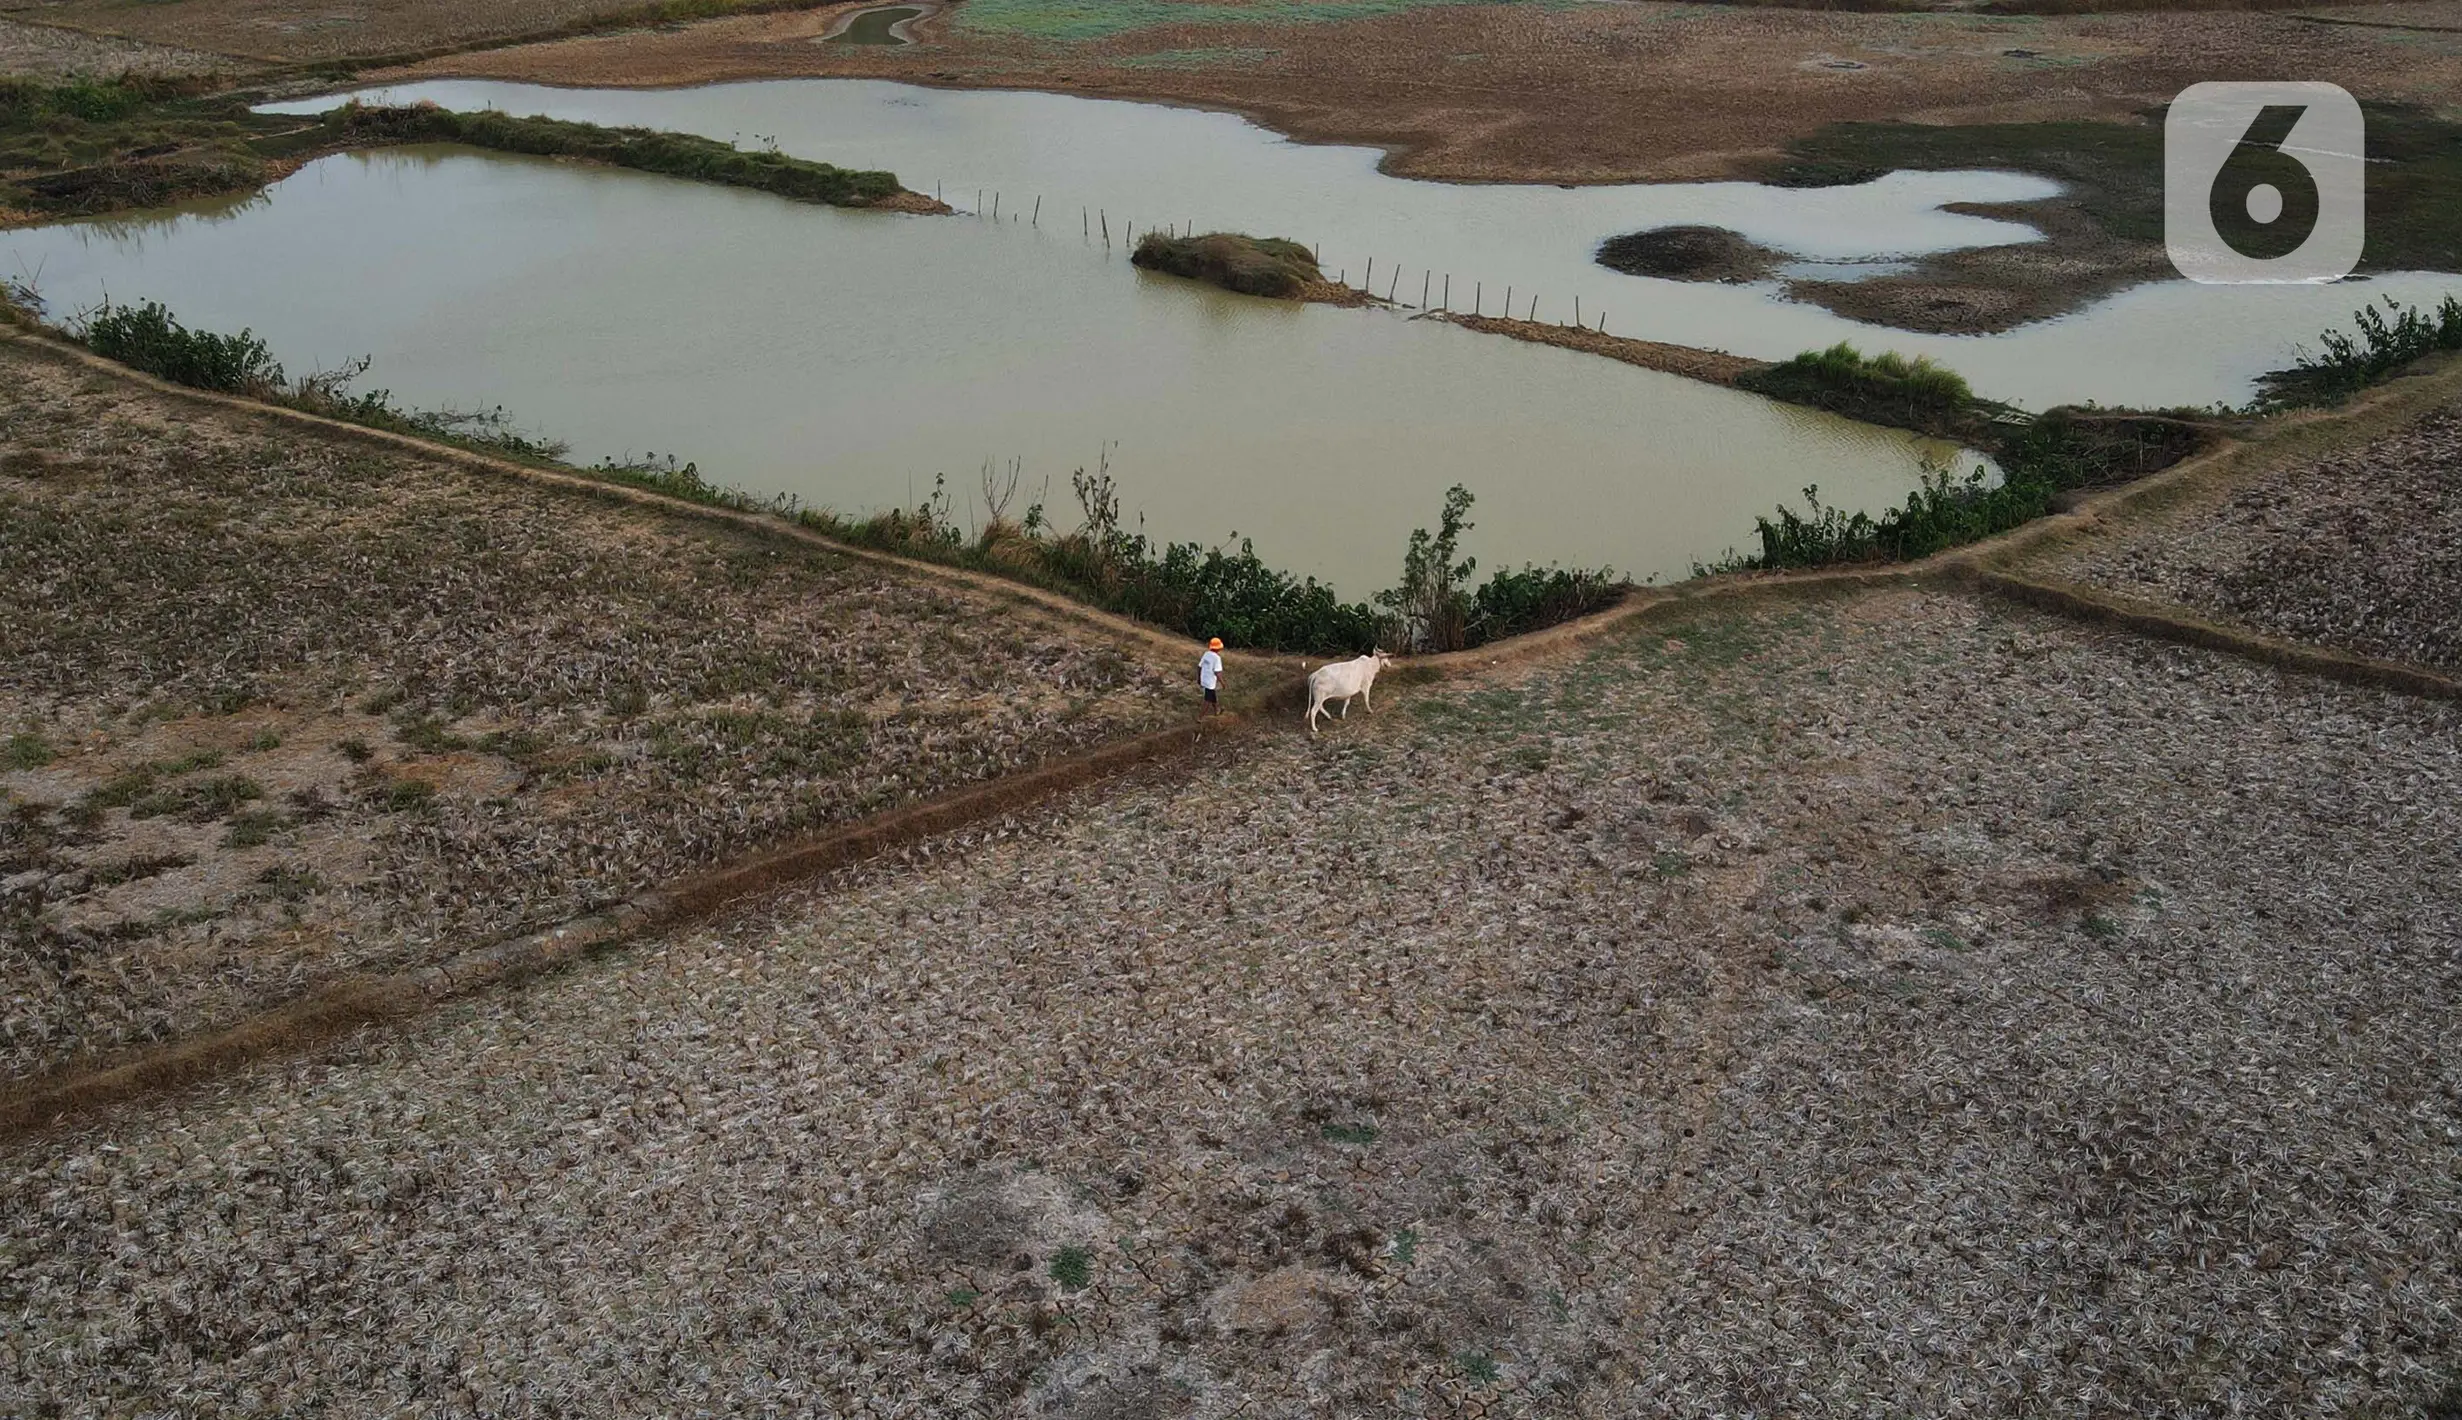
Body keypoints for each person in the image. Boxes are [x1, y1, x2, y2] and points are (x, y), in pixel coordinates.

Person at [1198, 637, 1224, 716]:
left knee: (1213, 696)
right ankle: (1200, 717)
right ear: (1218, 648)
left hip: (1204, 679)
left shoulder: (1206, 654)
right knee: (1208, 700)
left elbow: (1199, 667)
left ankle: (1217, 711)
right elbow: (1217, 672)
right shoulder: (1217, 658)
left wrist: (1198, 678)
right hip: (1210, 682)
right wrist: (1223, 683)